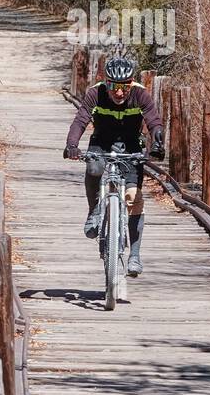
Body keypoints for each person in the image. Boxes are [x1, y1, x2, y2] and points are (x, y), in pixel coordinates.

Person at [63, 56, 165, 276]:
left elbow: (154, 121)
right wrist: (72, 145)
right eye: (114, 86)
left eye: (124, 87)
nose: (119, 93)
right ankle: (94, 211)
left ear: (131, 83)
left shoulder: (140, 94)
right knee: (93, 169)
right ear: (106, 82)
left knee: (133, 197)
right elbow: (81, 120)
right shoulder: (95, 93)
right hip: (101, 141)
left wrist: (157, 142)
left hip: (130, 145)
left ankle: (135, 256)